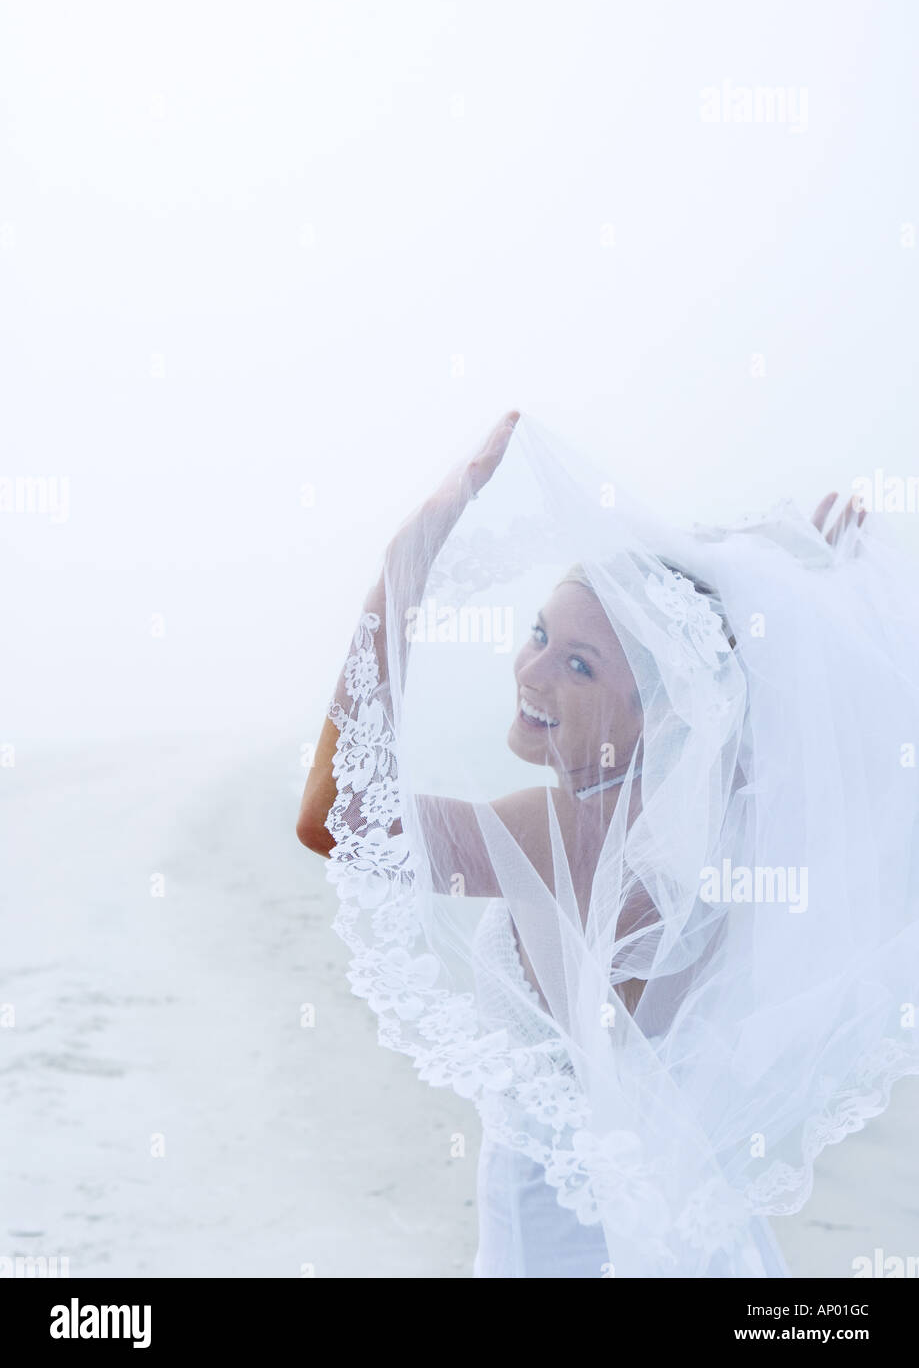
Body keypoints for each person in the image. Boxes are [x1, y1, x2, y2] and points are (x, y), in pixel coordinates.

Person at [297, 411, 919, 1278]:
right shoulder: (730, 834)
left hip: (565, 1250)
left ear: (662, 716)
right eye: (540, 635)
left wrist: (404, 566)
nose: (532, 671)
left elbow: (332, 819)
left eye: (581, 666)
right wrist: (796, 590)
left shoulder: (561, 838)